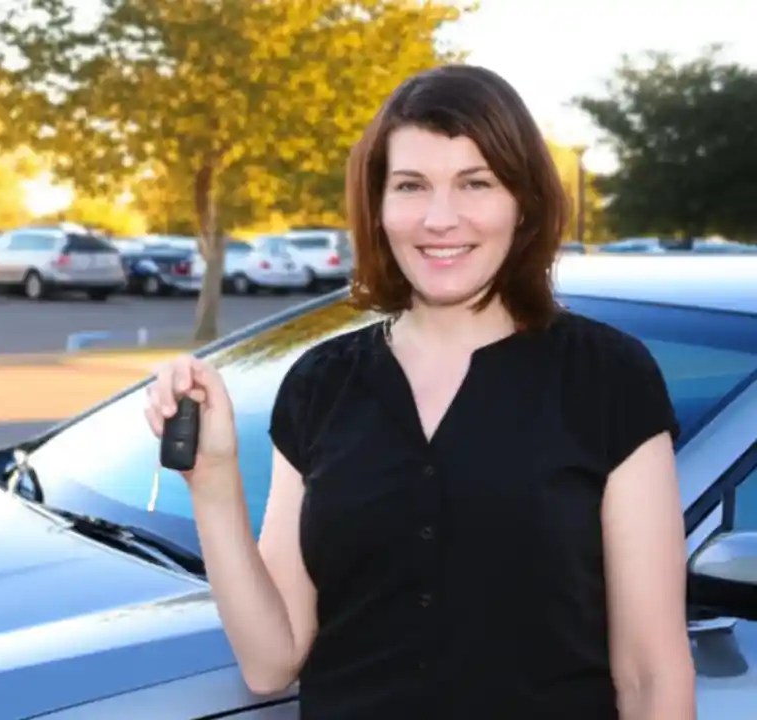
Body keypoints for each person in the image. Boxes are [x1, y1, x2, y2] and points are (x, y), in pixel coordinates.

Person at [144, 64, 696, 719]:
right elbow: (271, 661)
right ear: (377, 208)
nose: (440, 218)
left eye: (475, 183)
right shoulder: (320, 386)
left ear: (524, 204)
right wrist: (213, 481)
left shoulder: (608, 378)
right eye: (410, 186)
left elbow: (651, 674)